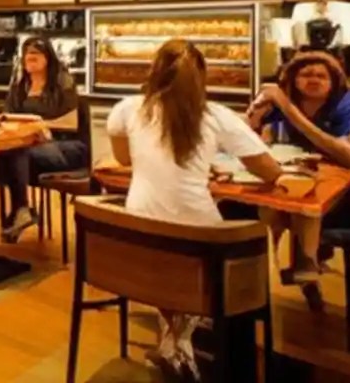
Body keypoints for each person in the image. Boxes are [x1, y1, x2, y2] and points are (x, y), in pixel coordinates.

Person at [107, 40, 281, 378]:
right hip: (200, 237)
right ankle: (201, 346)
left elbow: (124, 158)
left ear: (153, 72)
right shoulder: (216, 115)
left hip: (138, 228)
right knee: (238, 235)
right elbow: (269, 170)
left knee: (168, 259)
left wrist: (198, 163)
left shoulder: (127, 109)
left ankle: (175, 343)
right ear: (203, 77)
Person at [246, 50, 350, 309]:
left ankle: (299, 266)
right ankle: (285, 270)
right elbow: (250, 131)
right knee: (271, 205)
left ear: (334, 80)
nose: (314, 79)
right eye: (306, 74)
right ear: (294, 79)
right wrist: (258, 109)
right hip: (309, 181)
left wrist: (288, 109)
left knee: (294, 200)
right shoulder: (290, 99)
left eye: (321, 75)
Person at [0, 36, 82, 242]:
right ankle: (21, 210)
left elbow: (72, 123)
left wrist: (41, 126)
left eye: (35, 54)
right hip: (31, 145)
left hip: (66, 144)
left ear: (48, 58)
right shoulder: (20, 85)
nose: (29, 58)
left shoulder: (62, 83)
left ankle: (20, 211)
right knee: (4, 152)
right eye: (27, 55)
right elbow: (9, 114)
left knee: (17, 151)